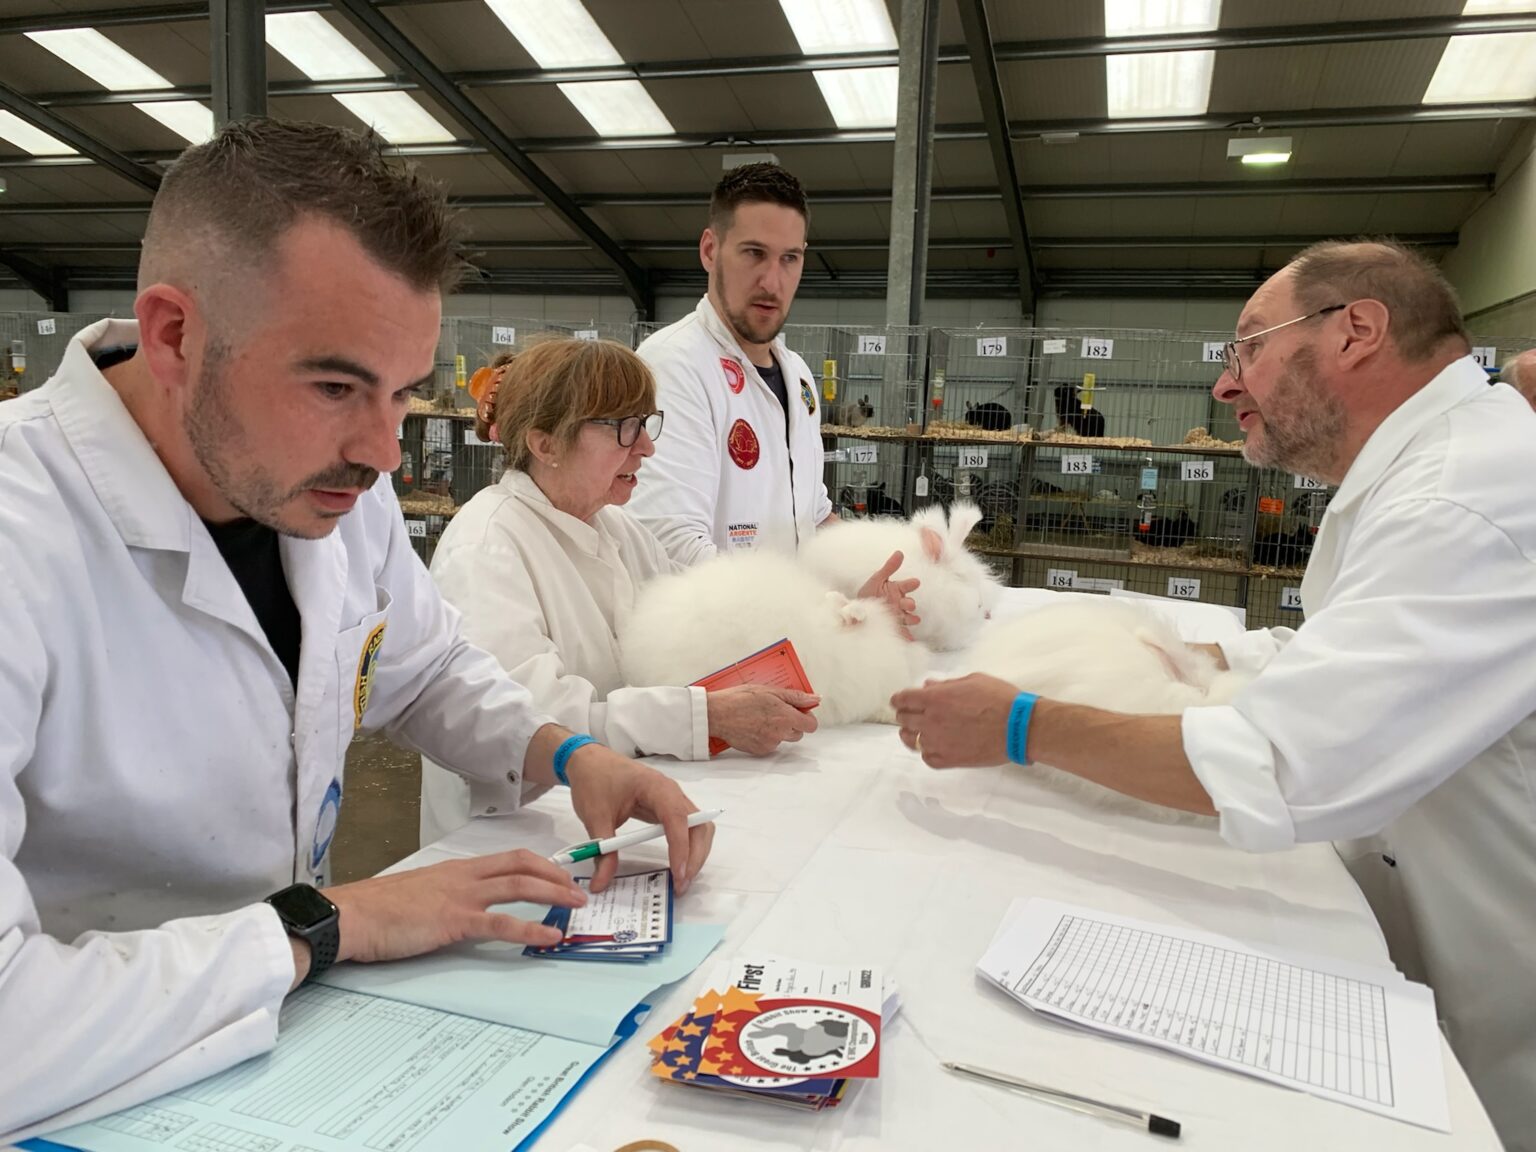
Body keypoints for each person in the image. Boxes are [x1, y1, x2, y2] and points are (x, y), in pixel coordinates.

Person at [0, 118, 711, 1143]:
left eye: (403, 393)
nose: (383, 449)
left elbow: (422, 671)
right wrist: (326, 926)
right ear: (172, 336)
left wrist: (561, 750)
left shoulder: (331, 488)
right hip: (89, 1099)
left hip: (289, 1056)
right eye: (334, 385)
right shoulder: (27, 538)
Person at [892, 240, 1536, 1151]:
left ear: (1357, 331)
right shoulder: (1428, 469)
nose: (1227, 387)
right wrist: (1223, 649)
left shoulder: (1457, 499)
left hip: (1499, 958)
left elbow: (1279, 764)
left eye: (1250, 348)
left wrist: (1022, 724)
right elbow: (1365, 649)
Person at [420, 337, 920, 844]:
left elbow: (722, 614)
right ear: (545, 443)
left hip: (610, 812)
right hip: (512, 837)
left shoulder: (618, 529)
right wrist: (701, 717)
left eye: (646, 423)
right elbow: (532, 728)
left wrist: (847, 618)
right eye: (623, 428)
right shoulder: (488, 549)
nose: (646, 447)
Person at [628, 163, 833, 563]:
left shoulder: (799, 376)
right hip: (715, 624)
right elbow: (670, 545)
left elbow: (815, 515)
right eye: (755, 253)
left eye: (789, 258)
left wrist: (880, 567)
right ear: (710, 250)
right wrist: (806, 608)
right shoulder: (672, 365)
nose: (773, 282)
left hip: (790, 622)